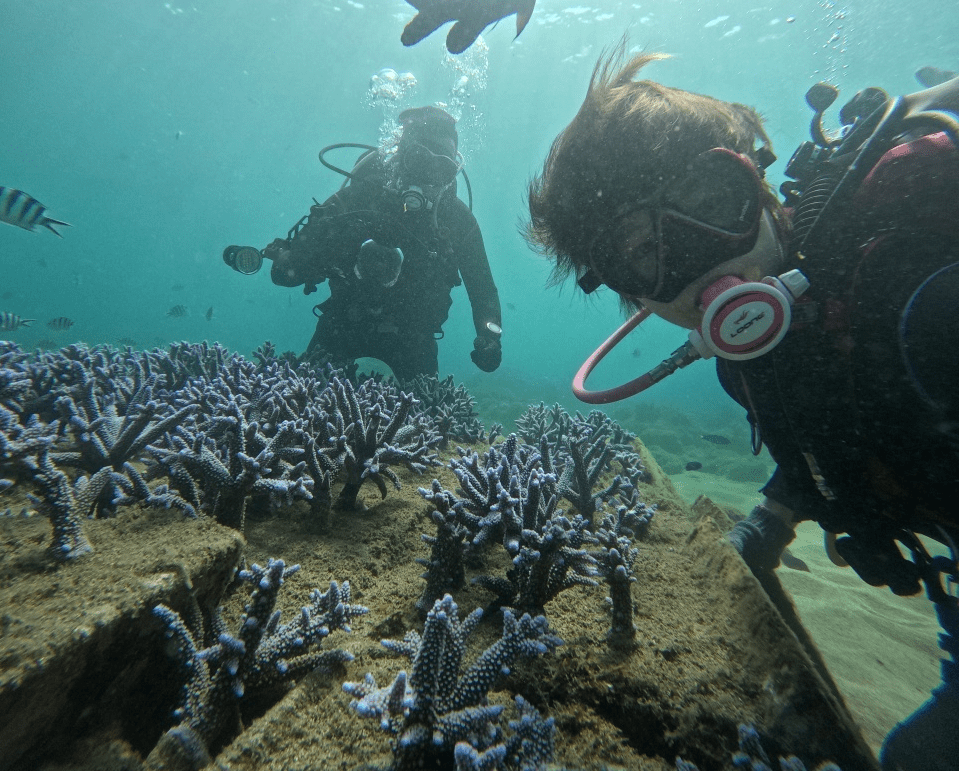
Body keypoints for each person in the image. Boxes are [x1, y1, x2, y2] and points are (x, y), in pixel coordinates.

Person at [524, 44, 958, 770]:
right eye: (642, 248)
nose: (700, 260)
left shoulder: (922, 297)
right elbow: (836, 416)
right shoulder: (760, 348)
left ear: (758, 183)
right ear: (627, 292)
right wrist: (774, 517)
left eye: (709, 202)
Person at [260, 106, 502, 383]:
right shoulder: (358, 197)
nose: (428, 178)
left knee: (421, 422)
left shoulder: (457, 220)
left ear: (452, 174)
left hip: (414, 340)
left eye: (442, 170)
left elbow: (482, 287)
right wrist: (291, 261)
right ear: (401, 156)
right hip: (341, 324)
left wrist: (490, 337)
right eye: (420, 160)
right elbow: (287, 274)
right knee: (306, 409)